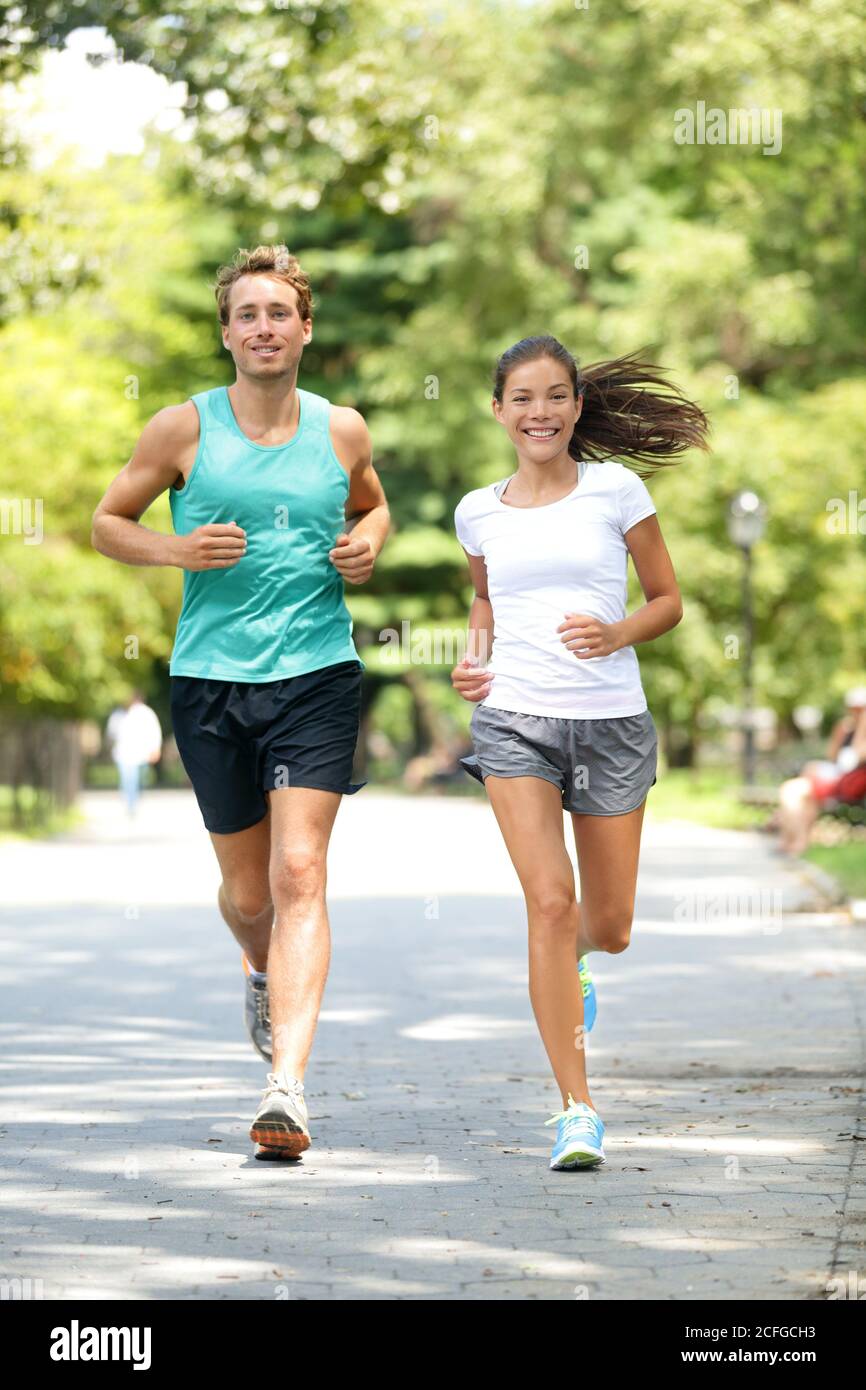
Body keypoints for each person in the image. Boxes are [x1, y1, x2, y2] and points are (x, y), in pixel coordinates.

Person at [92, 244, 390, 1159]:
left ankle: (286, 1089)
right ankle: (259, 967)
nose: (264, 328)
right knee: (247, 890)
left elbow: (372, 507)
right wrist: (176, 552)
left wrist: (367, 543)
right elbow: (108, 523)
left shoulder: (341, 430)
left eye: (279, 313)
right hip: (211, 679)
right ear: (227, 333)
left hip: (317, 675)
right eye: (247, 315)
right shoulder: (181, 430)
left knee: (302, 873)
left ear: (304, 328)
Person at [452, 336, 709, 1171]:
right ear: (499, 411)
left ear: (577, 407)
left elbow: (668, 600)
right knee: (550, 907)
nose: (540, 413)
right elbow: (486, 603)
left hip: (609, 722)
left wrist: (617, 631)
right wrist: (474, 661)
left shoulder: (615, 489)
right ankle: (576, 1109)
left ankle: (581, 969)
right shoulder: (476, 511)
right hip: (515, 722)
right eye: (522, 399)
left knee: (609, 926)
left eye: (556, 396)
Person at [776, 687, 866, 855]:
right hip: (837, 779)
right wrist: (841, 732)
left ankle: (795, 842)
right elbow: (832, 757)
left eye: (860, 709)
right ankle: (794, 842)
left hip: (846, 785)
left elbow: (855, 758)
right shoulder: (846, 728)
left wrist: (862, 727)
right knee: (792, 791)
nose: (856, 713)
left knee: (794, 791)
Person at [105, 690, 163, 817]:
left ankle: (135, 799)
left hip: (142, 754)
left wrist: (156, 749)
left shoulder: (146, 713)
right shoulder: (118, 714)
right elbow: (111, 733)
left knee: (140, 780)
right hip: (124, 754)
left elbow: (155, 731)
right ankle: (130, 805)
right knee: (128, 780)